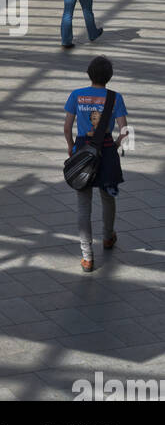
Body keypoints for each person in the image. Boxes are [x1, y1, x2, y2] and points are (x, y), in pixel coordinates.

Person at [63, 55, 128, 270]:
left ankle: (87, 256)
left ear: (89, 74)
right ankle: (108, 236)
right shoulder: (115, 98)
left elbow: (67, 126)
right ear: (109, 77)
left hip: (83, 150)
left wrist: (71, 147)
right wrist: (117, 143)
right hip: (107, 151)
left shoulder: (77, 95)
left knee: (83, 205)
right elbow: (124, 130)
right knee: (108, 197)